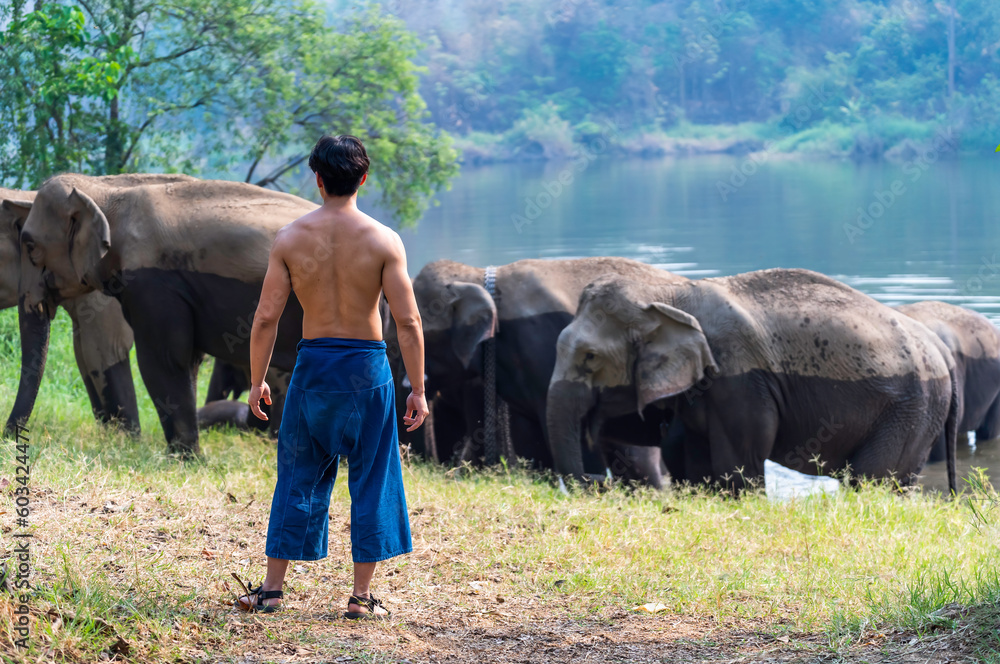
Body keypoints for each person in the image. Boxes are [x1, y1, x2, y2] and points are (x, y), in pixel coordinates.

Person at [240, 134, 429, 618]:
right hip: (367, 372)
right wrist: (418, 389)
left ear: (317, 179)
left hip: (314, 371)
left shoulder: (290, 239)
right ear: (363, 178)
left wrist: (257, 379)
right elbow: (407, 322)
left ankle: (272, 590)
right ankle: (360, 599)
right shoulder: (384, 241)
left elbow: (265, 318)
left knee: (298, 476)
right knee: (373, 477)